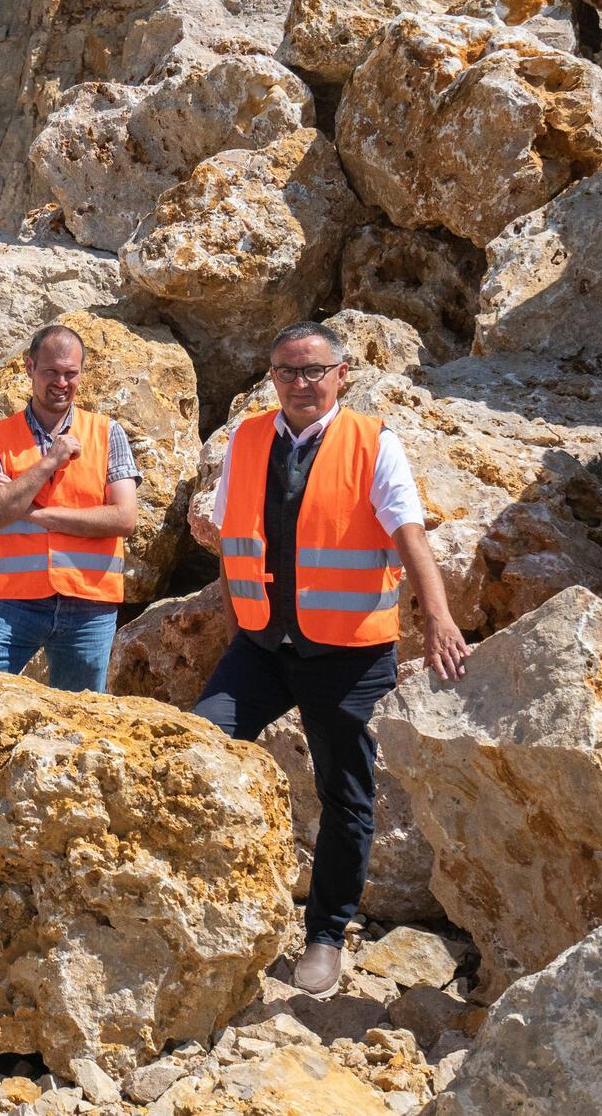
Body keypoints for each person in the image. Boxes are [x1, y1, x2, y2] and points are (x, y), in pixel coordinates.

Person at [195, 320, 470, 996]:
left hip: (347, 651)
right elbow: (231, 530)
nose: (299, 383)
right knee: (199, 744)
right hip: (262, 645)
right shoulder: (249, 438)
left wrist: (437, 617)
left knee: (345, 796)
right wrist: (239, 611)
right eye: (286, 371)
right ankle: (209, 898)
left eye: (313, 370)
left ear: (341, 374)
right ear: (270, 376)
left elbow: (409, 534)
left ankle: (324, 934)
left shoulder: (374, 443)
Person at [0, 324, 139, 691]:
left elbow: (124, 517)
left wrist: (29, 511)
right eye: (51, 371)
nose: (61, 382)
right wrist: (49, 462)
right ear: (29, 368)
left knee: (80, 723)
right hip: (13, 601)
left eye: (71, 373)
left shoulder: (107, 433)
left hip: (89, 603)